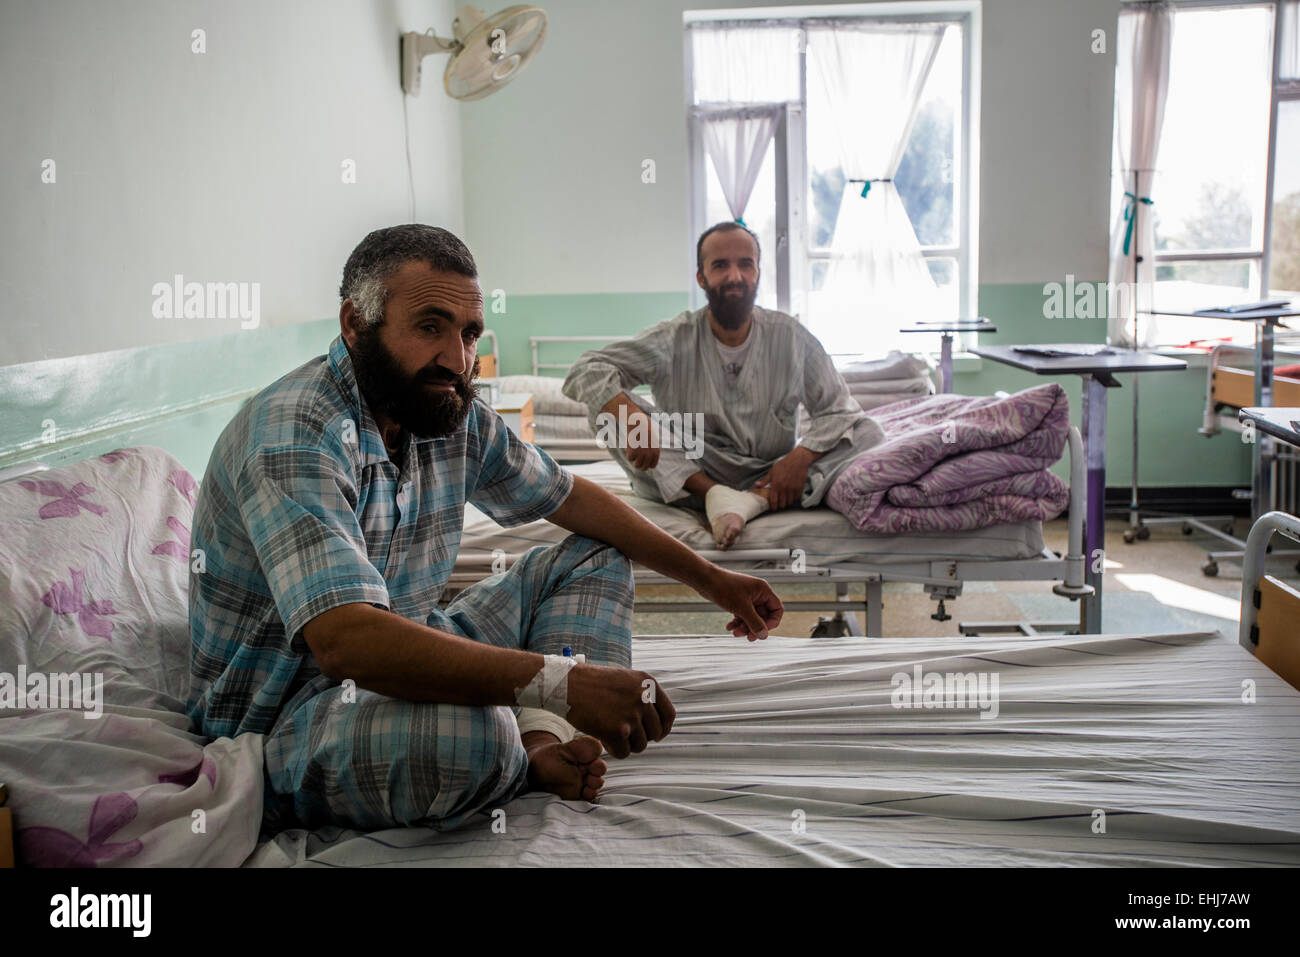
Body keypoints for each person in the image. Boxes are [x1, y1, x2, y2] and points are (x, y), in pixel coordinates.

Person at [186, 224, 783, 833]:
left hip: (413, 635)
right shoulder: (295, 431)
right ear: (354, 323)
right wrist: (562, 683)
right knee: (473, 738)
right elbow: (345, 643)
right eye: (429, 327)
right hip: (293, 710)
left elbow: (571, 496)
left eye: (469, 333)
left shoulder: (447, 411)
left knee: (596, 556)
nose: (457, 358)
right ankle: (520, 747)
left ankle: (544, 743)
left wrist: (712, 580)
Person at [562, 222, 883, 548]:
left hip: (770, 473)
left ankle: (753, 500)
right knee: (606, 413)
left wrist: (799, 457)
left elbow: (839, 409)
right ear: (701, 277)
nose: (735, 276)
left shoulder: (790, 337)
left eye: (745, 264)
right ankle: (715, 495)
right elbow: (585, 370)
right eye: (720, 265)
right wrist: (632, 418)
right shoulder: (673, 338)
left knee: (868, 431)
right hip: (691, 472)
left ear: (757, 272)